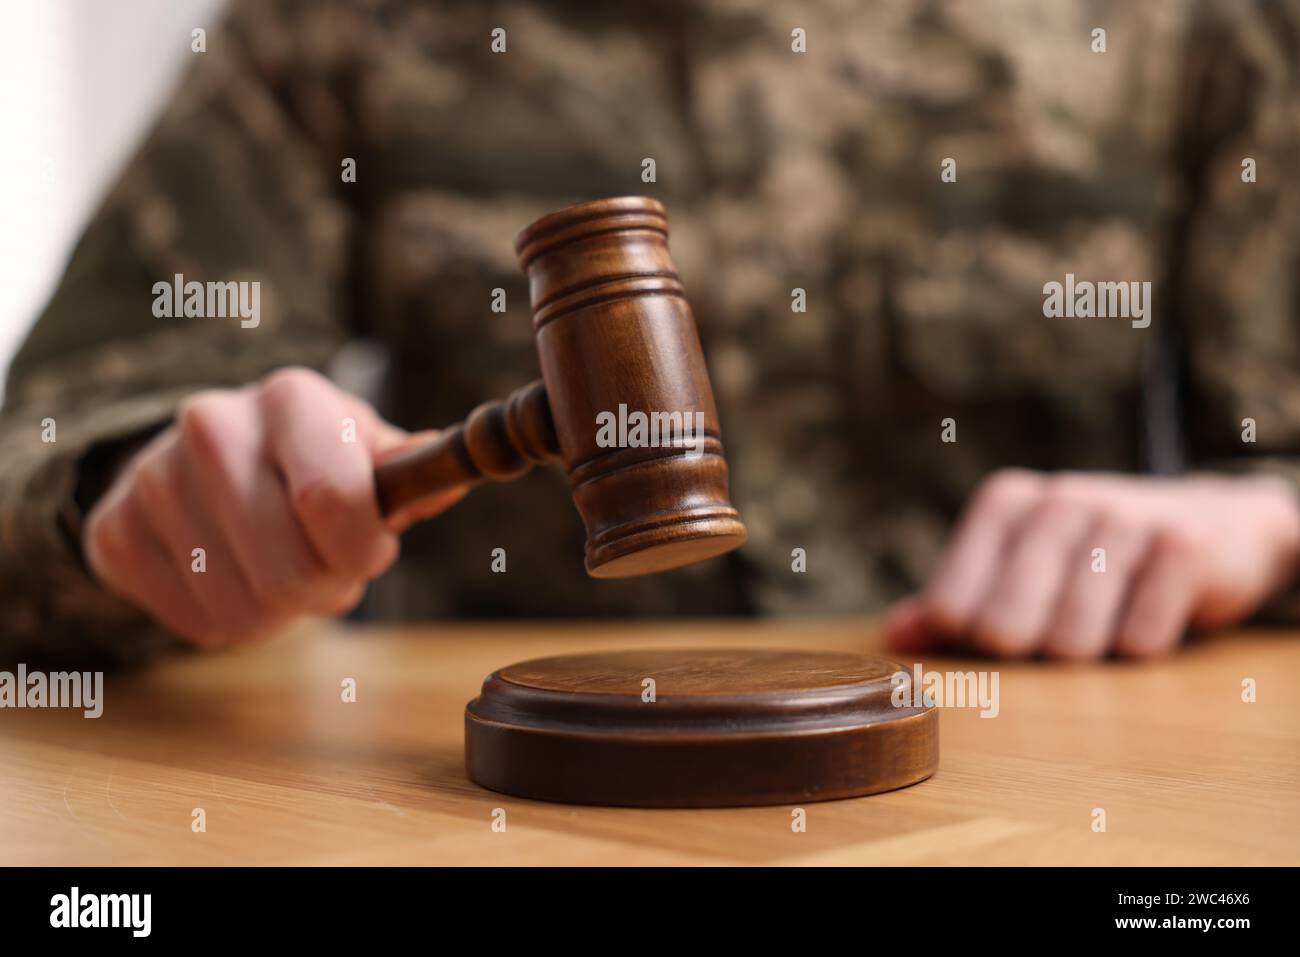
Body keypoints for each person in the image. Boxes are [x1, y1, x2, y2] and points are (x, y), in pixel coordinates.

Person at [3, 0, 1299, 668]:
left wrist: (1265, 526)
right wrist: (130, 495)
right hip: (499, 817)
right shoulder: (341, 25)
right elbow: (41, 454)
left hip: (1050, 807)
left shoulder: (1184, 20)